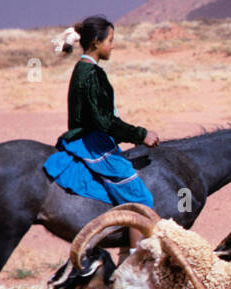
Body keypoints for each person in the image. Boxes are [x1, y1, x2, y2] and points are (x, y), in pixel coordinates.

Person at [43, 15, 161, 207]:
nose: (113, 46)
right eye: (110, 40)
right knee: (141, 201)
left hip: (85, 137)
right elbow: (104, 121)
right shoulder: (93, 74)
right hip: (91, 142)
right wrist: (141, 134)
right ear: (97, 42)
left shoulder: (82, 67)